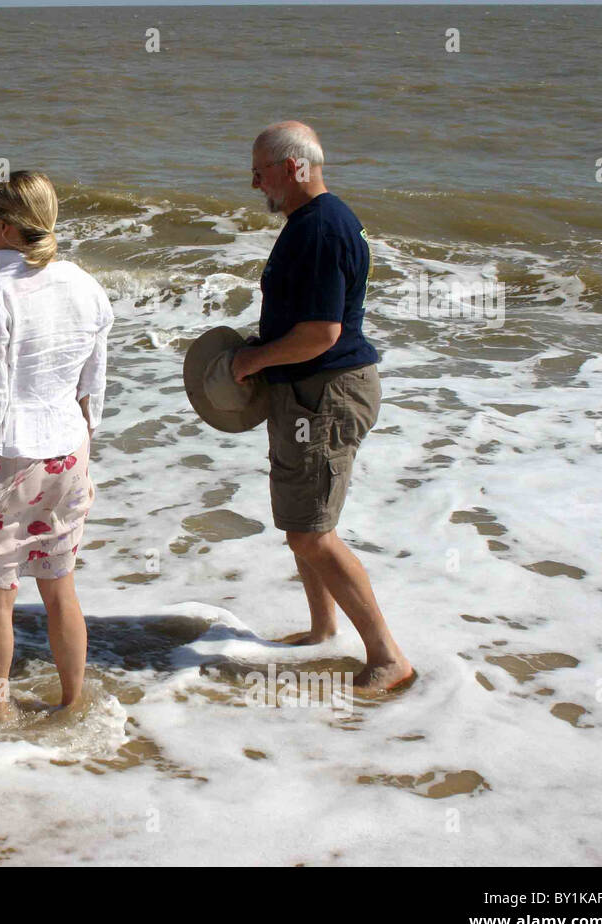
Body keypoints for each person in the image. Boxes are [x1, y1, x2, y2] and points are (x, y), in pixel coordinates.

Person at [230, 122, 413, 693]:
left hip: (325, 393)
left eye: (260, 168)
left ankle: (388, 657)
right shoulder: (315, 221)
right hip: (311, 391)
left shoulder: (319, 228)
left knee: (313, 532)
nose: (253, 179)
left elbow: (321, 333)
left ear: (292, 167)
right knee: (301, 521)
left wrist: (250, 363)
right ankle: (321, 628)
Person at [0, 170, 114, 718]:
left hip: (10, 457)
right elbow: (94, 389)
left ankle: (1, 711)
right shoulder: (87, 285)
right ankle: (71, 703)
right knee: (60, 585)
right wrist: (82, 450)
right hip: (67, 451)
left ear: (10, 227)